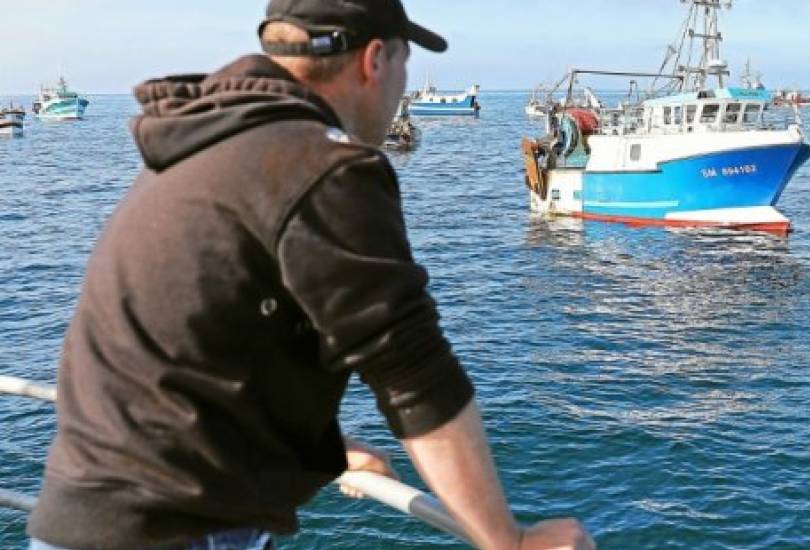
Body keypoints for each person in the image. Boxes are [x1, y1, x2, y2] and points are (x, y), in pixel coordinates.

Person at [26, 1, 595, 549]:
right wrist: (510, 539)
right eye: (404, 65)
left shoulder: (200, 145)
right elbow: (411, 368)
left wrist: (324, 451)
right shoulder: (321, 168)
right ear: (376, 59)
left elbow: (197, 351)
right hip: (175, 531)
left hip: (78, 518)